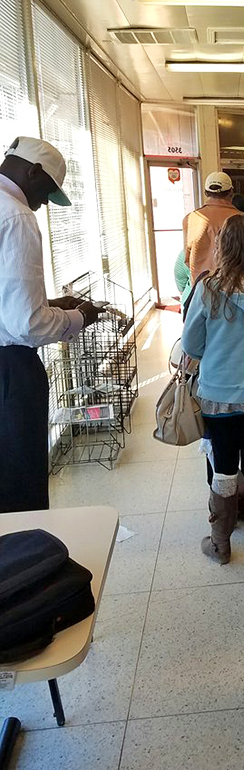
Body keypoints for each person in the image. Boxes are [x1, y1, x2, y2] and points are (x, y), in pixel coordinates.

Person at [0, 136, 101, 513]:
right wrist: (80, 317)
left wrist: (49, 305)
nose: (44, 203)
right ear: (34, 172)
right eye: (47, 191)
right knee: (18, 484)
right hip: (9, 371)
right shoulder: (16, 217)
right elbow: (27, 324)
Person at [182, 214, 244, 563]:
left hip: (218, 394)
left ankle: (220, 543)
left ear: (222, 247)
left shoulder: (207, 289)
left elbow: (192, 345)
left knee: (223, 466)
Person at [183, 171, 240, 282]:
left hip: (201, 285)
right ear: (231, 192)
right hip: (233, 285)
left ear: (206, 192)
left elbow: (187, 260)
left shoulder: (190, 219)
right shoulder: (242, 220)